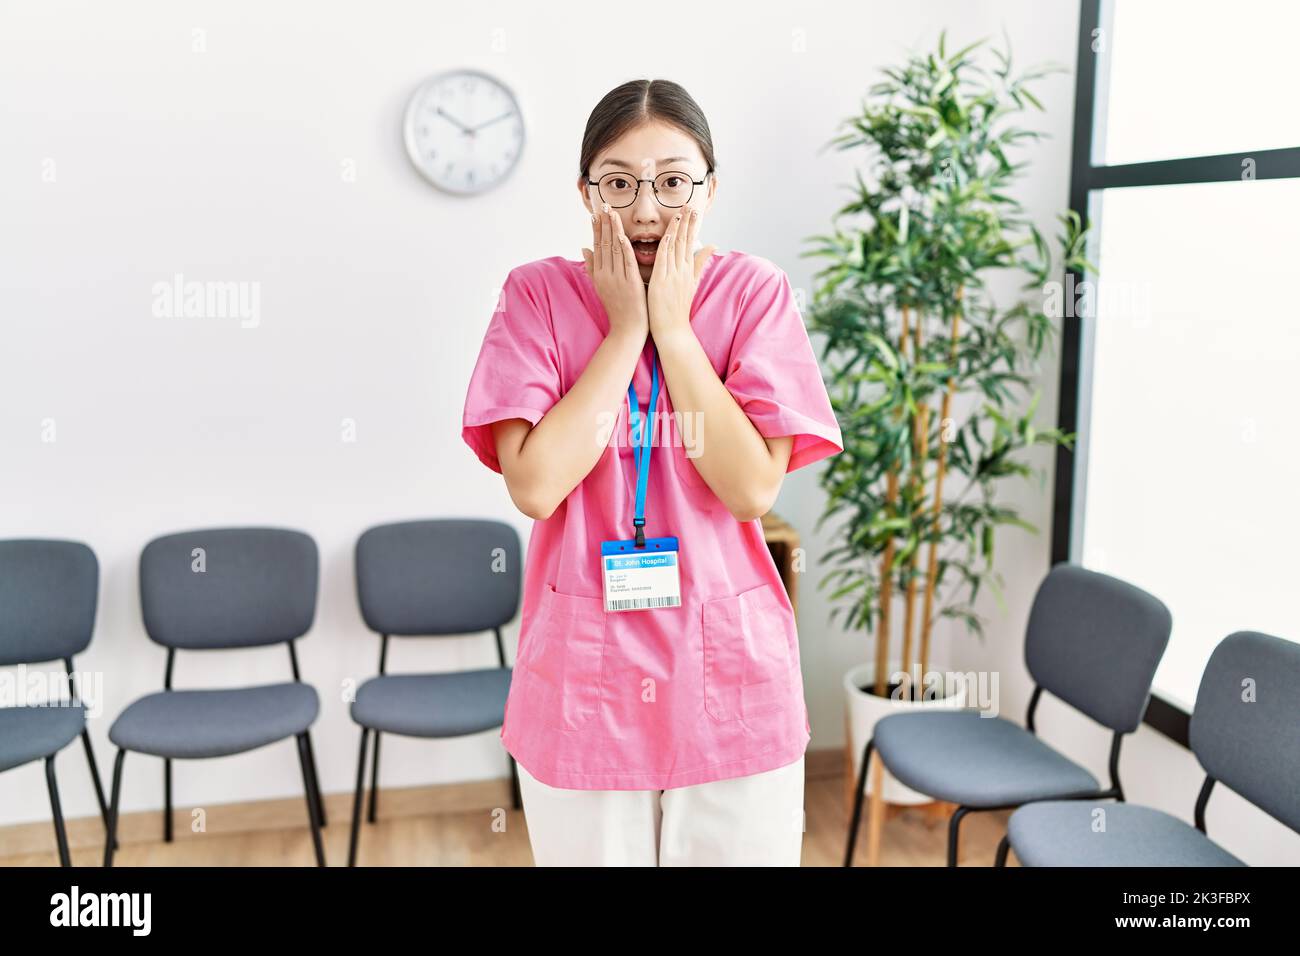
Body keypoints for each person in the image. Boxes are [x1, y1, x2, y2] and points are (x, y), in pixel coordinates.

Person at [461, 78, 843, 866]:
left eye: (672, 181)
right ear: (584, 191)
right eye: (619, 182)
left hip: (729, 676)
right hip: (583, 675)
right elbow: (535, 485)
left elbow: (751, 489)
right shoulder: (537, 295)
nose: (644, 210)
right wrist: (624, 327)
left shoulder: (753, 294)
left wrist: (670, 326)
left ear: (708, 188)